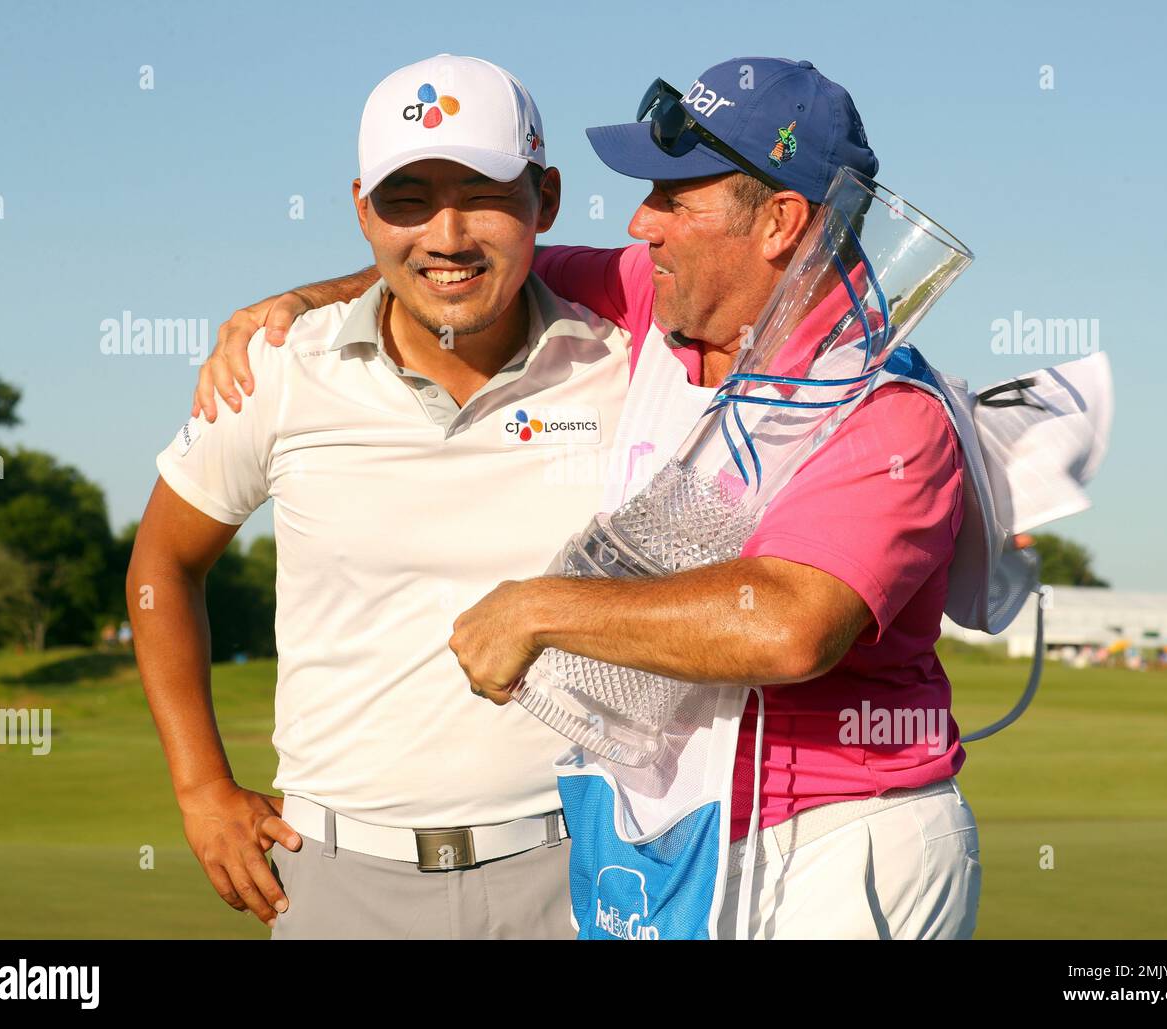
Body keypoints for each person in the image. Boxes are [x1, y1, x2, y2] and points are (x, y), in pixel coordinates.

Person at [193, 57, 983, 939]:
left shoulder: (889, 410)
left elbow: (787, 625)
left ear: (780, 223)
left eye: (674, 199)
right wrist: (307, 299)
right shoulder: (666, 304)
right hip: (694, 842)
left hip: (840, 841)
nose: (641, 223)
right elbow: (478, 268)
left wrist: (541, 610)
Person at [127, 54, 637, 939]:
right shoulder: (280, 368)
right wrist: (202, 786)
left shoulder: (624, 365)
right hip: (338, 881)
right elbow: (162, 565)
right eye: (408, 200)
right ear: (362, 209)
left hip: (582, 870)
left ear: (546, 199)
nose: (447, 235)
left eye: (483, 195)